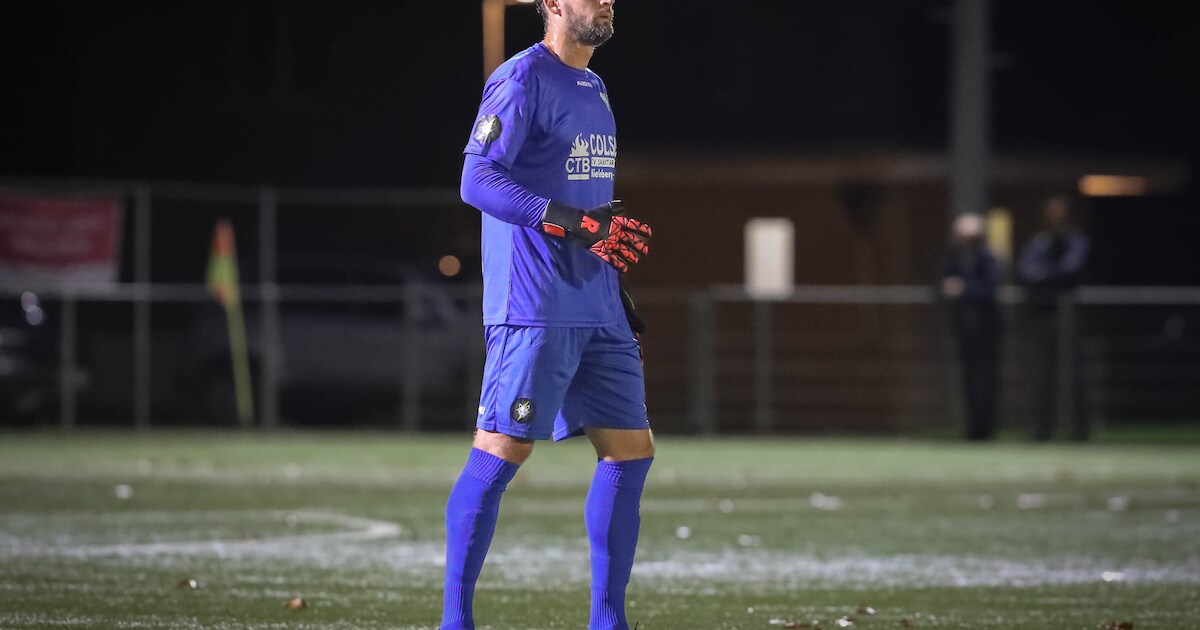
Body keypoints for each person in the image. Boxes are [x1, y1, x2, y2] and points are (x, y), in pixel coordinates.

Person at [441, 1, 655, 629]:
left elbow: (582, 198)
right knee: (502, 451)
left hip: (597, 302)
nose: (607, 1)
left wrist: (610, 278)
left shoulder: (594, 85)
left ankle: (607, 623)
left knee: (630, 452)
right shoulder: (520, 78)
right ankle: (456, 622)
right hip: (535, 305)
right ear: (554, 4)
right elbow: (477, 180)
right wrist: (575, 222)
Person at [1017, 194, 1090, 441]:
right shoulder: (1038, 243)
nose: (1055, 219)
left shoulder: (1077, 241)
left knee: (1075, 374)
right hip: (1043, 316)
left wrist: (1046, 276)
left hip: (1070, 317)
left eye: (1060, 214)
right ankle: (1041, 431)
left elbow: (1072, 271)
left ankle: (1080, 430)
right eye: (1051, 214)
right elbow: (1026, 273)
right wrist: (1052, 276)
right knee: (1041, 375)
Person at [938, 213, 1004, 441]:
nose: (968, 241)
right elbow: (941, 285)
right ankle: (971, 429)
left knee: (986, 380)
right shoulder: (953, 258)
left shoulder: (988, 258)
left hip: (987, 328)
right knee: (967, 380)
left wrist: (963, 290)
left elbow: (991, 287)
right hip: (963, 328)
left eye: (972, 237)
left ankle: (986, 429)